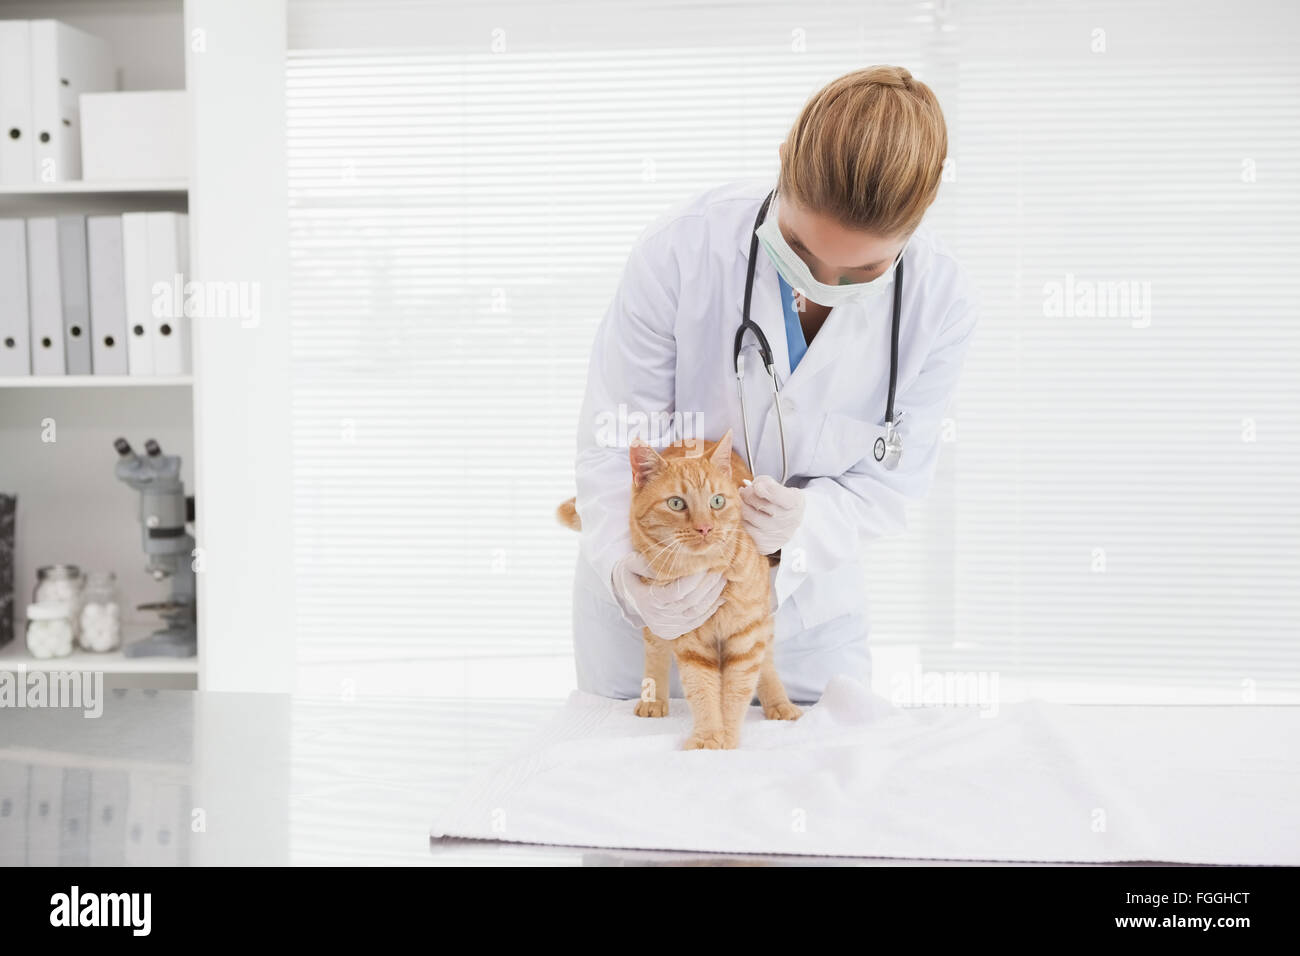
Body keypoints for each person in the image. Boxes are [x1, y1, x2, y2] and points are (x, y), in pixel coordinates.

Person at [568, 65, 979, 705]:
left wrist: (807, 523)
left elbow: (894, 481)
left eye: (864, 270)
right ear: (784, 163)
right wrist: (632, 575)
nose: (823, 283)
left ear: (920, 222)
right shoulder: (683, 251)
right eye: (799, 248)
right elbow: (615, 441)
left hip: (806, 623)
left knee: (816, 783)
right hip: (660, 611)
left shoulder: (939, 303)